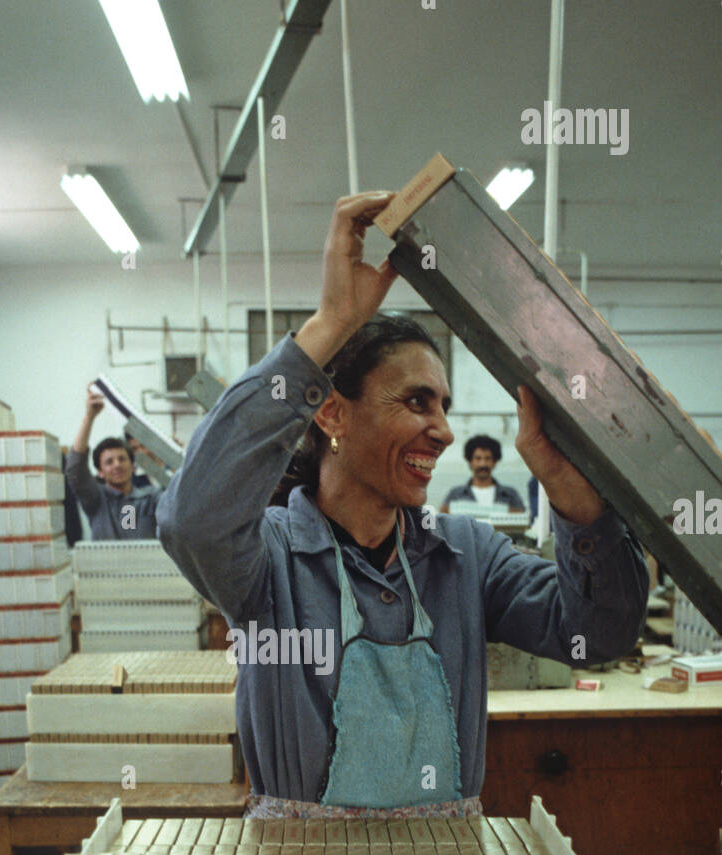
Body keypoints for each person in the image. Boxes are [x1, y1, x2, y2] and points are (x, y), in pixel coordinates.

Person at [157, 192, 649, 818]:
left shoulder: (466, 556)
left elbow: (599, 634)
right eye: (417, 402)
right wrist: (328, 327)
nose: (442, 430)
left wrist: (575, 499)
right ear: (331, 412)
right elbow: (191, 519)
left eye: (444, 406)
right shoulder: (270, 562)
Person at [65, 383, 163, 539]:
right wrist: (89, 417)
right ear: (100, 472)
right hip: (104, 564)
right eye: (109, 462)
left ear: (132, 466)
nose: (117, 464)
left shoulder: (150, 498)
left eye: (122, 459)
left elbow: (179, 498)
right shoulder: (95, 499)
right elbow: (75, 468)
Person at [440, 435, 525, 512]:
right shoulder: (455, 494)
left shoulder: (510, 495)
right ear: (470, 462)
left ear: (494, 462)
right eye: (478, 458)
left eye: (487, 458)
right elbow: (442, 521)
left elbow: (523, 523)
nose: (483, 464)